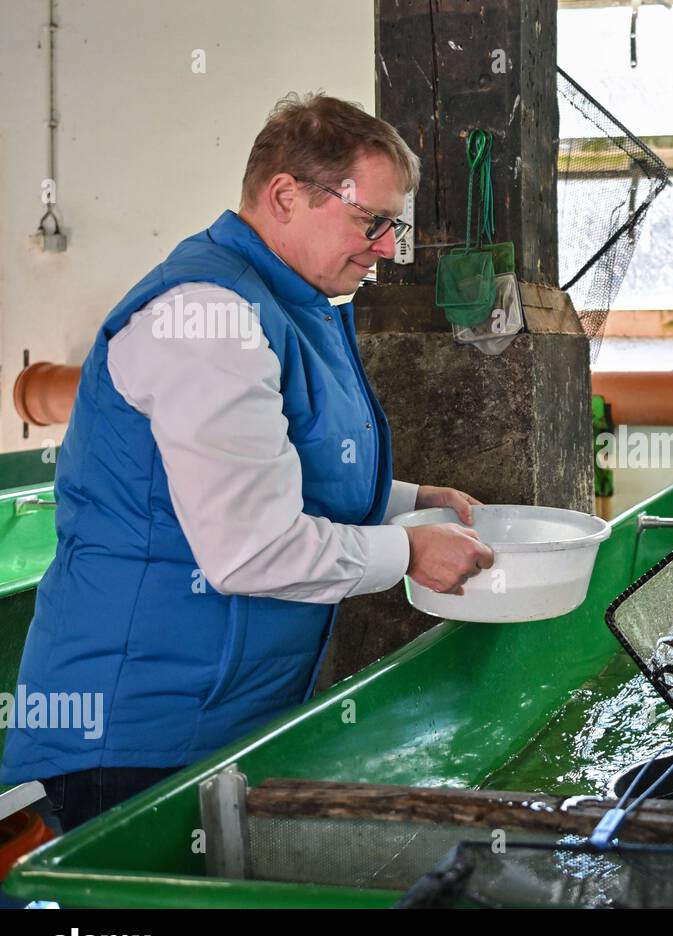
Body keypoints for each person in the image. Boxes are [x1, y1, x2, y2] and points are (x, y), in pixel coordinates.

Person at [1, 93, 494, 831]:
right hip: (142, 727)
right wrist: (407, 550)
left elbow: (287, 462)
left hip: (222, 708)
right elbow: (250, 546)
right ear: (286, 196)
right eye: (372, 221)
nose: (388, 248)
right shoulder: (209, 317)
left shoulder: (293, 302)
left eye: (394, 225)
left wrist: (411, 499)